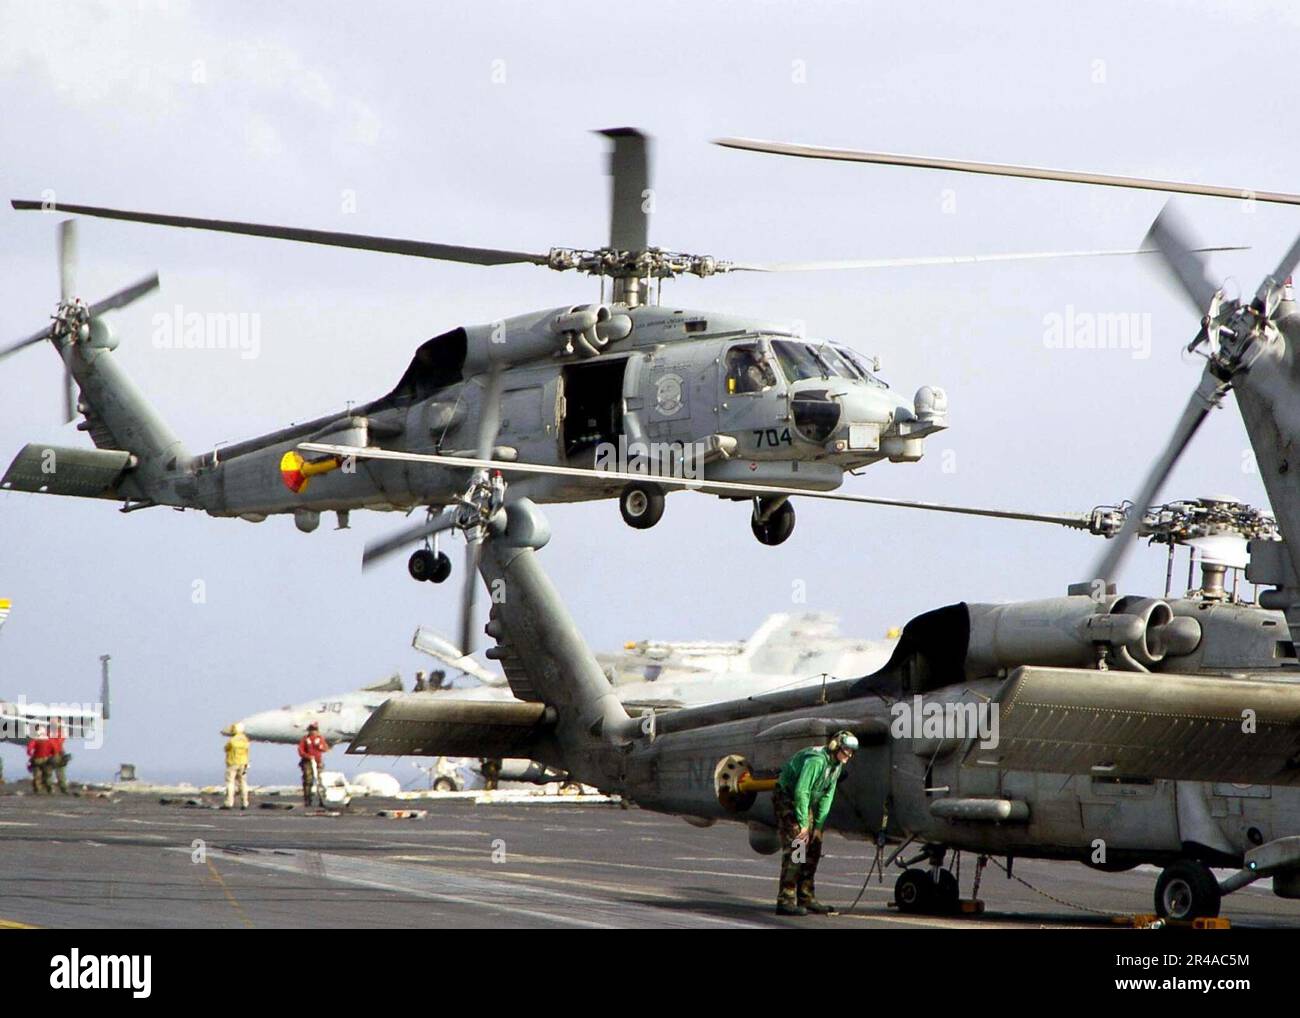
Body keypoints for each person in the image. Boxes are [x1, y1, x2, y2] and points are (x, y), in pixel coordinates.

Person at [772, 729, 858, 916]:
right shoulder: (816, 761)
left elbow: (827, 796)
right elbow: (801, 791)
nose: (849, 755)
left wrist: (818, 828)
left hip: (806, 800)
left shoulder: (836, 765)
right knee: (798, 845)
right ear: (836, 746)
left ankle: (806, 897)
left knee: (814, 846)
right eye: (846, 750)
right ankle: (785, 899)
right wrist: (803, 825)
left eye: (851, 752)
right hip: (787, 797)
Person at [297, 722, 330, 806]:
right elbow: (300, 750)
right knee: (308, 780)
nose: (313, 732)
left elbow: (325, 748)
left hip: (318, 763)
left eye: (315, 730)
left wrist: (320, 746)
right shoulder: (305, 739)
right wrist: (308, 756)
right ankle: (307, 800)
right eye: (312, 730)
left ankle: (321, 800)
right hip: (307, 762)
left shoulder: (319, 739)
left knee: (319, 781)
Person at [222, 722, 251, 809]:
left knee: (230, 782)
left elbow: (225, 749)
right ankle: (245, 803)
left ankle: (229, 803)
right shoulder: (246, 740)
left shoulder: (232, 740)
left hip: (233, 764)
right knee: (243, 782)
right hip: (244, 764)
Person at [26, 727, 53, 795]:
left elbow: (29, 750)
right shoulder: (48, 740)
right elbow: (53, 749)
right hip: (46, 759)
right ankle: (49, 788)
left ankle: (37, 789)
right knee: (47, 775)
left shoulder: (35, 740)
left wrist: (31, 755)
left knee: (37, 775)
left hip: (37, 759)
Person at [47, 721, 70, 794]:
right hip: (60, 752)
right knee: (61, 772)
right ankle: (63, 788)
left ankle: (49, 788)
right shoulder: (61, 734)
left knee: (48, 772)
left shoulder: (49, 734)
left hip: (52, 754)